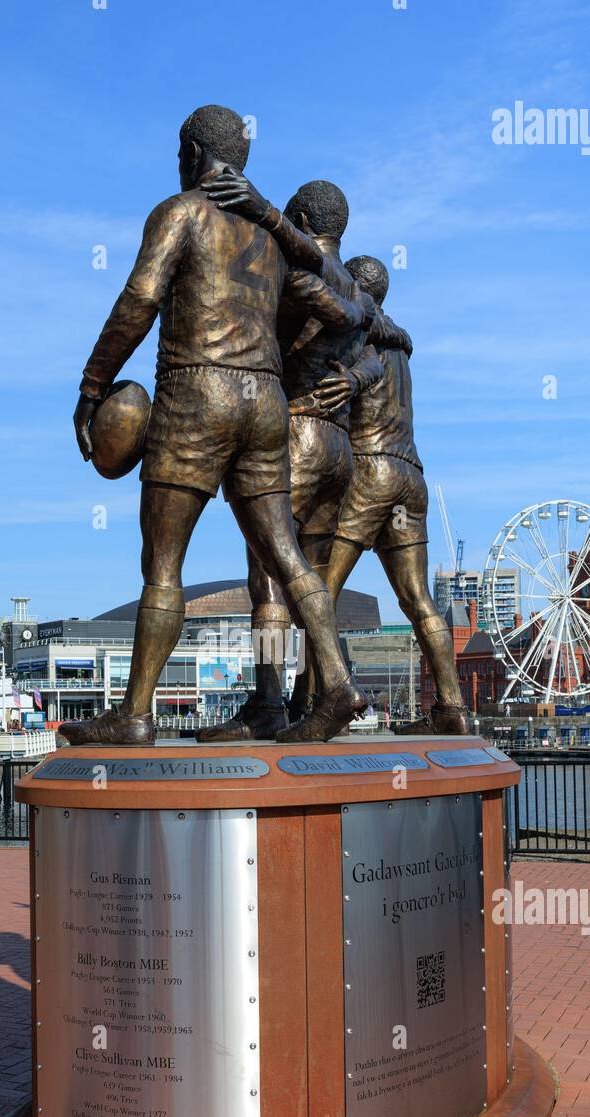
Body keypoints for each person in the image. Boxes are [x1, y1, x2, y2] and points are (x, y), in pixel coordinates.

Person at [62, 105, 367, 746]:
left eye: (181, 152)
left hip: (194, 393)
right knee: (284, 554)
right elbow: (342, 305)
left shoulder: (181, 212)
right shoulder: (272, 240)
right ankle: (336, 683)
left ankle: (136, 714)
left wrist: (93, 388)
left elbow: (141, 299)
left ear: (192, 151)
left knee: (163, 564)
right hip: (265, 405)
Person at [198, 175, 383, 741]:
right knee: (316, 581)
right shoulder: (357, 287)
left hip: (296, 431)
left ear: (302, 220)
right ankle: (316, 700)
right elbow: (377, 355)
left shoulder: (296, 272)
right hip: (338, 450)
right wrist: (353, 378)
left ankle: (270, 702)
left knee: (269, 580)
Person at [323, 255, 469, 735]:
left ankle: (325, 700)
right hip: (411, 476)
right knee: (417, 597)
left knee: (320, 590)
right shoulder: (400, 347)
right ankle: (451, 710)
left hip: (371, 469)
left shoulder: (358, 333)